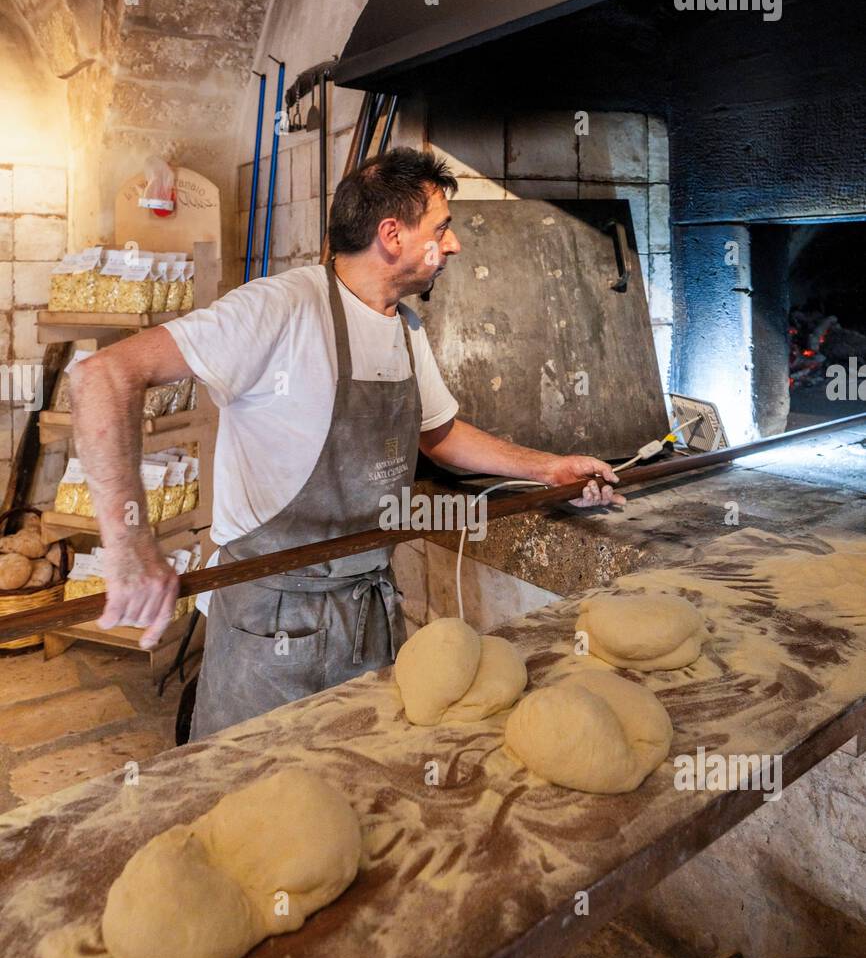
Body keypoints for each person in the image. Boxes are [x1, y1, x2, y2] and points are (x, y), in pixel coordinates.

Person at [71, 148, 623, 739]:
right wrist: (129, 546)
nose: (454, 245)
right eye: (442, 229)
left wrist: (549, 469)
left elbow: (440, 436)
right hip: (271, 618)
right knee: (256, 802)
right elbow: (102, 375)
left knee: (360, 789)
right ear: (392, 235)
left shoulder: (406, 328)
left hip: (369, 610)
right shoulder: (281, 306)